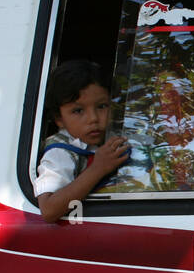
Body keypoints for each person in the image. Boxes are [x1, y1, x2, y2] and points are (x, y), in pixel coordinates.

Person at [35, 60, 130, 222]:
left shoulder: (114, 135)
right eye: (78, 111)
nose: (93, 118)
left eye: (101, 106)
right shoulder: (61, 152)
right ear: (59, 119)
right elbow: (49, 210)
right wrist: (98, 169)